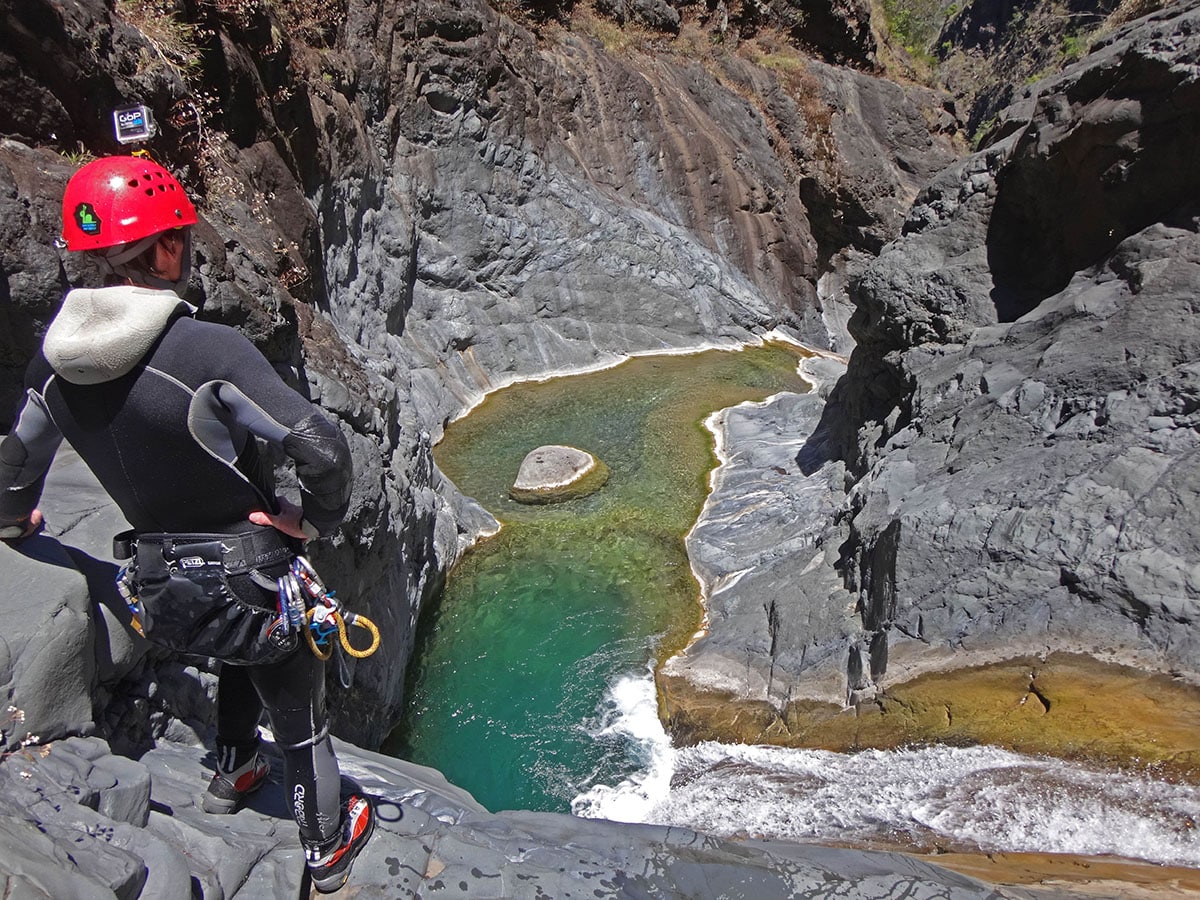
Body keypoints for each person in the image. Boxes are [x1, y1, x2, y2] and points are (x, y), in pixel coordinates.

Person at [0, 155, 373, 893]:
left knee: (240, 645)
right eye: (182, 237)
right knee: (301, 714)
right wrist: (313, 521)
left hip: (162, 590)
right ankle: (327, 846)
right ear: (165, 249)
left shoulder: (54, 364)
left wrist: (15, 523)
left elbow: (16, 469)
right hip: (251, 581)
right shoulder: (205, 351)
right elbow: (323, 449)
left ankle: (233, 769)